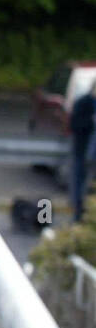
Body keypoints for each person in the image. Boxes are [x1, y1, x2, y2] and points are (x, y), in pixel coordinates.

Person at [70, 80, 95, 222]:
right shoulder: (83, 103)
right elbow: (74, 125)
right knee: (79, 184)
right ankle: (79, 215)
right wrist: (91, 122)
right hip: (83, 151)